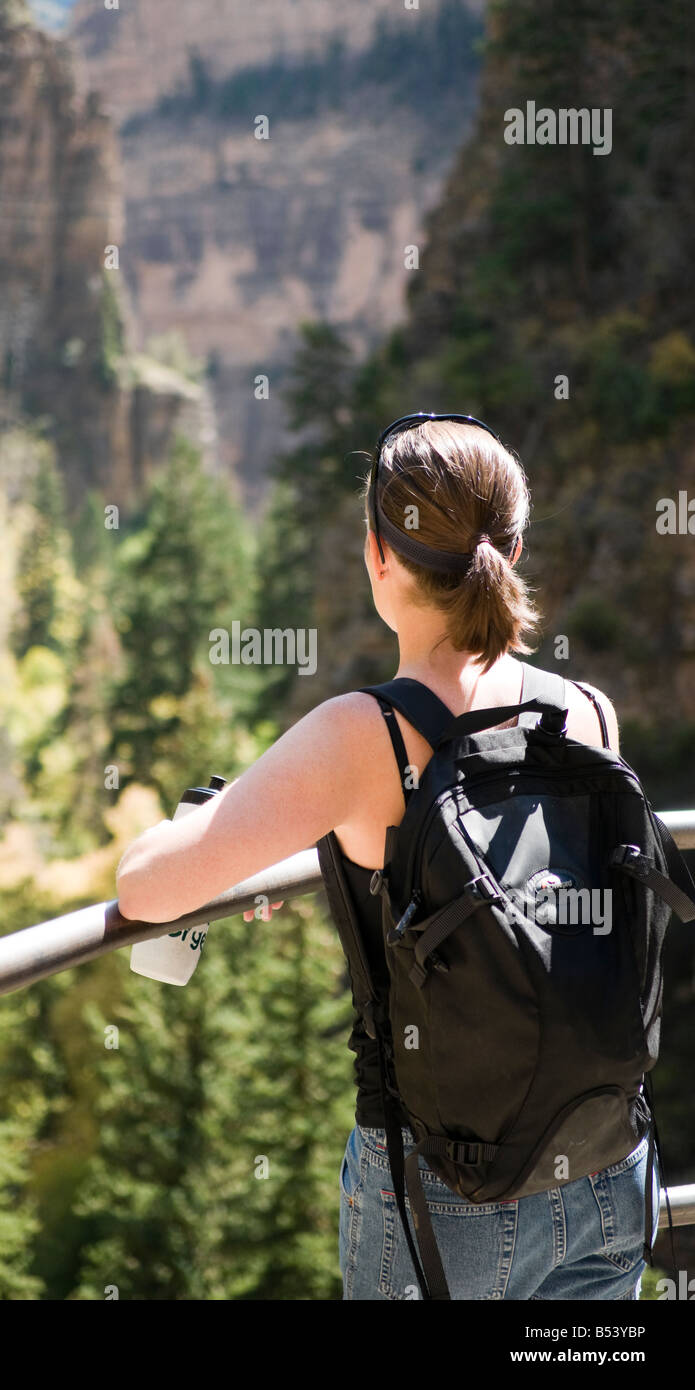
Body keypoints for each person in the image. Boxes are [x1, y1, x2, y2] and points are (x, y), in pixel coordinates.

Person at [115, 415, 658, 1300]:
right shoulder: (587, 714)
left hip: (440, 1198)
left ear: (377, 554)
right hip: (606, 1162)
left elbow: (146, 888)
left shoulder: (363, 735)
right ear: (511, 550)